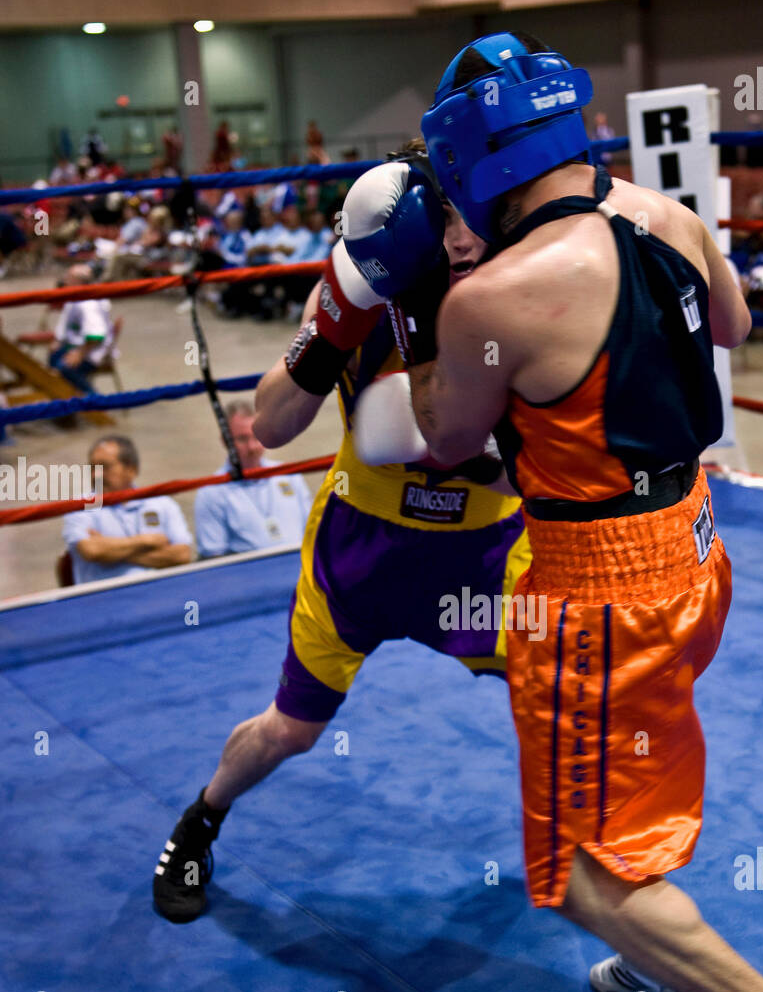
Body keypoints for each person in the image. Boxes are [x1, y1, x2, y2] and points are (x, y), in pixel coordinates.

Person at [361, 32, 763, 992]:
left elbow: (443, 441)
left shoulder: (488, 293)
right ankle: (653, 962)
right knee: (638, 774)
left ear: (468, 158)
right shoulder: (668, 217)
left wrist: (411, 298)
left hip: (597, 596)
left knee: (583, 872)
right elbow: (732, 331)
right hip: (695, 552)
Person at [152, 143, 531, 931]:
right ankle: (201, 820)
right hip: (362, 548)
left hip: (484, 555)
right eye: (447, 220)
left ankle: (616, 885)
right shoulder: (365, 286)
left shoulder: (517, 291)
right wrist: (328, 334)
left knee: (558, 693)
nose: (463, 241)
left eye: (474, 216)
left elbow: (531, 477)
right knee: (291, 727)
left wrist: (448, 446)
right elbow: (272, 425)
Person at [62, 435, 193, 584]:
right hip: (103, 599)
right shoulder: (81, 506)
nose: (95, 475)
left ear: (131, 470)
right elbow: (92, 550)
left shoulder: (161, 503)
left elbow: (182, 555)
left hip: (158, 593)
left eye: (105, 467)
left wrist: (110, 551)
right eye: (92, 467)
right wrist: (146, 541)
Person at [194, 399, 312, 557]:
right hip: (247, 578)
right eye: (242, 439)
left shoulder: (289, 475)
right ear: (225, 441)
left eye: (257, 437)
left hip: (302, 570)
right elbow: (214, 558)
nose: (252, 447)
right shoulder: (211, 492)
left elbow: (314, 531)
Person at [48, 264, 115, 394]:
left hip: (90, 351)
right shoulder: (75, 297)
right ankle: (63, 400)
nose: (64, 281)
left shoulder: (88, 303)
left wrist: (80, 353)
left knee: (65, 367)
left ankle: (94, 399)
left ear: (77, 281)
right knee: (53, 358)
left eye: (68, 278)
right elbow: (65, 326)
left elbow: (96, 335)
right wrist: (58, 339)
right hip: (75, 345)